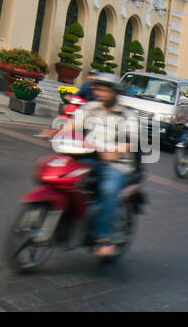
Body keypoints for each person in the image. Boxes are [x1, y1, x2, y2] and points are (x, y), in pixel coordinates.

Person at [59, 74, 138, 258]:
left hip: (117, 164)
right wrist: (58, 131)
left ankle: (103, 238)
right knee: (66, 176)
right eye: (98, 89)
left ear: (114, 92)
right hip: (90, 156)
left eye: (104, 89)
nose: (99, 93)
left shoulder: (127, 115)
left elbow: (130, 142)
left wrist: (116, 152)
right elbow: (74, 123)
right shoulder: (91, 108)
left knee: (109, 189)